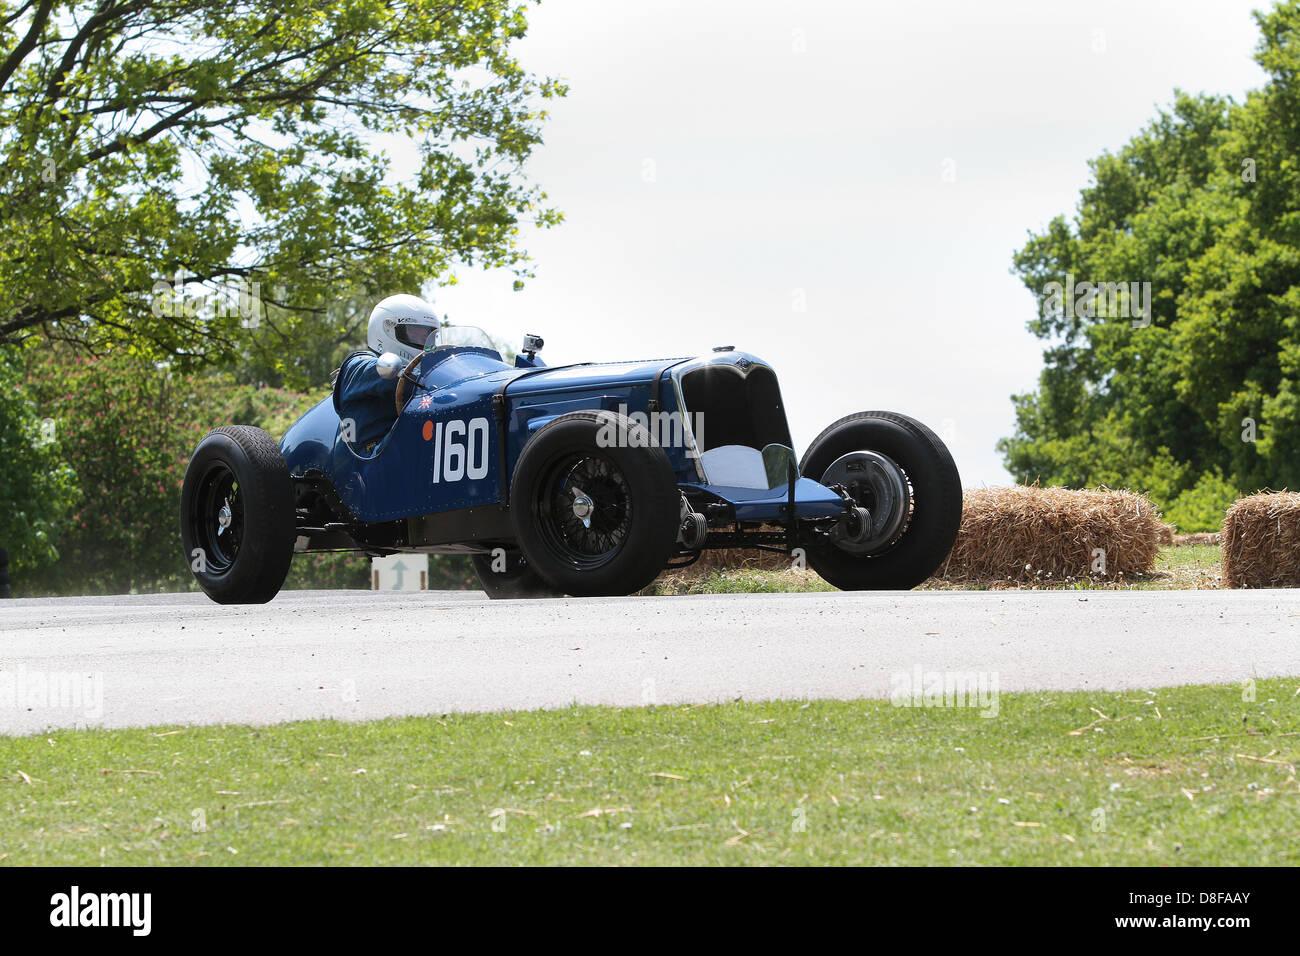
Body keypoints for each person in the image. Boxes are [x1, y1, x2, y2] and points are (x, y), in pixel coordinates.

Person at [338, 294, 440, 453]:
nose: (424, 341)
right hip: (371, 456)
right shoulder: (359, 365)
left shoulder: (428, 372)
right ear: (387, 328)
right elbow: (381, 374)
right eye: (415, 334)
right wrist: (429, 380)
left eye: (428, 336)